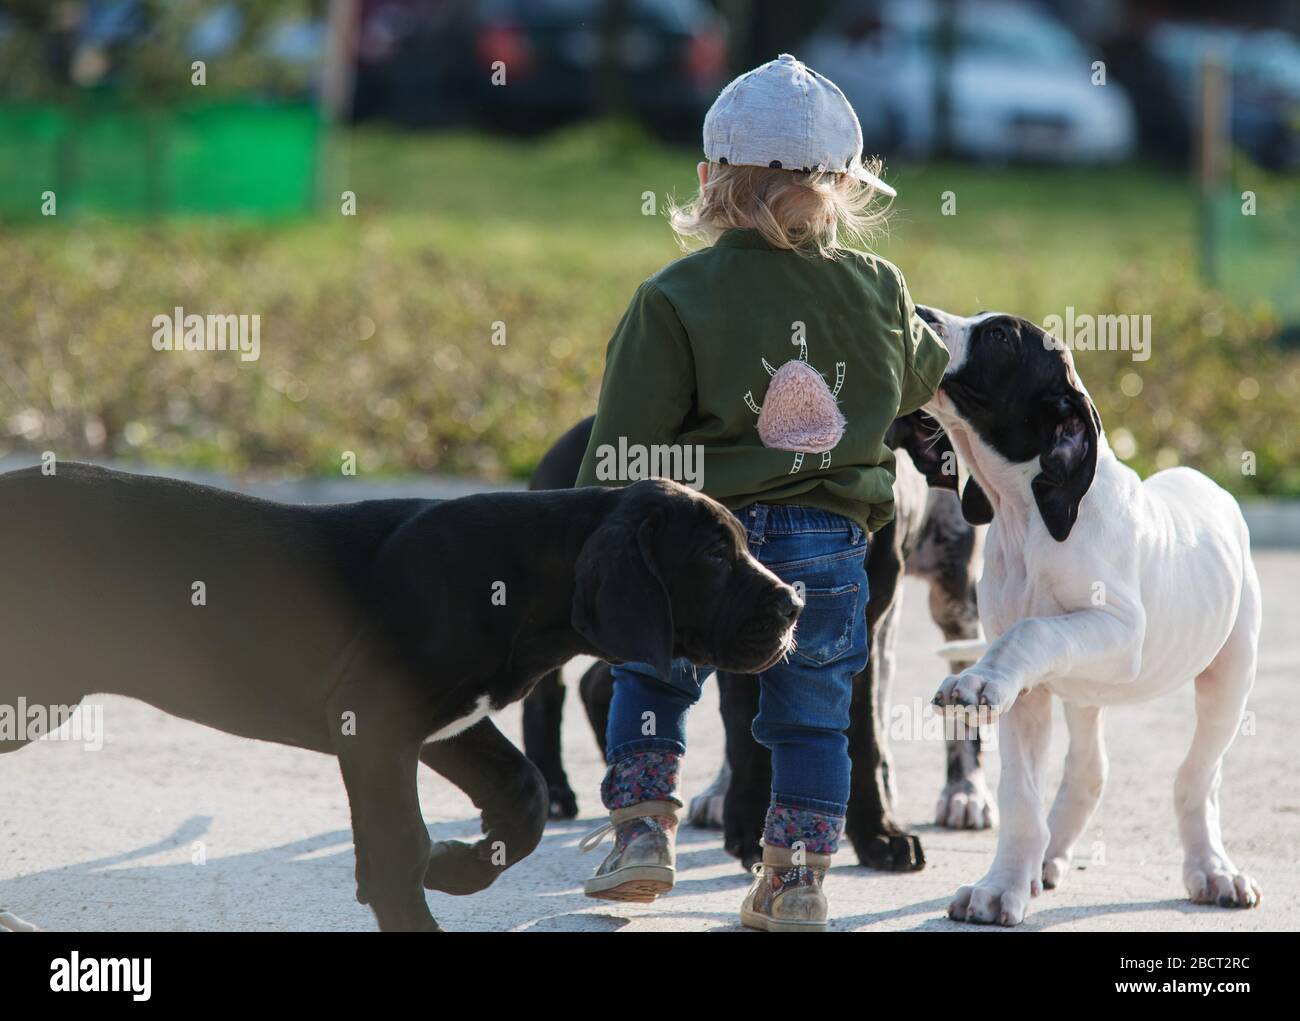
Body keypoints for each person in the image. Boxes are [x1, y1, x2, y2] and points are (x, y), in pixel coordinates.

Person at [574, 54, 949, 931]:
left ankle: (640, 833)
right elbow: (916, 377)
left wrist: (591, 540)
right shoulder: (882, 287)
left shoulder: (672, 296)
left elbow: (624, 447)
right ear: (848, 187)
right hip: (830, 541)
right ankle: (797, 884)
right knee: (816, 714)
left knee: (654, 671)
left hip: (701, 536)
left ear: (708, 178)